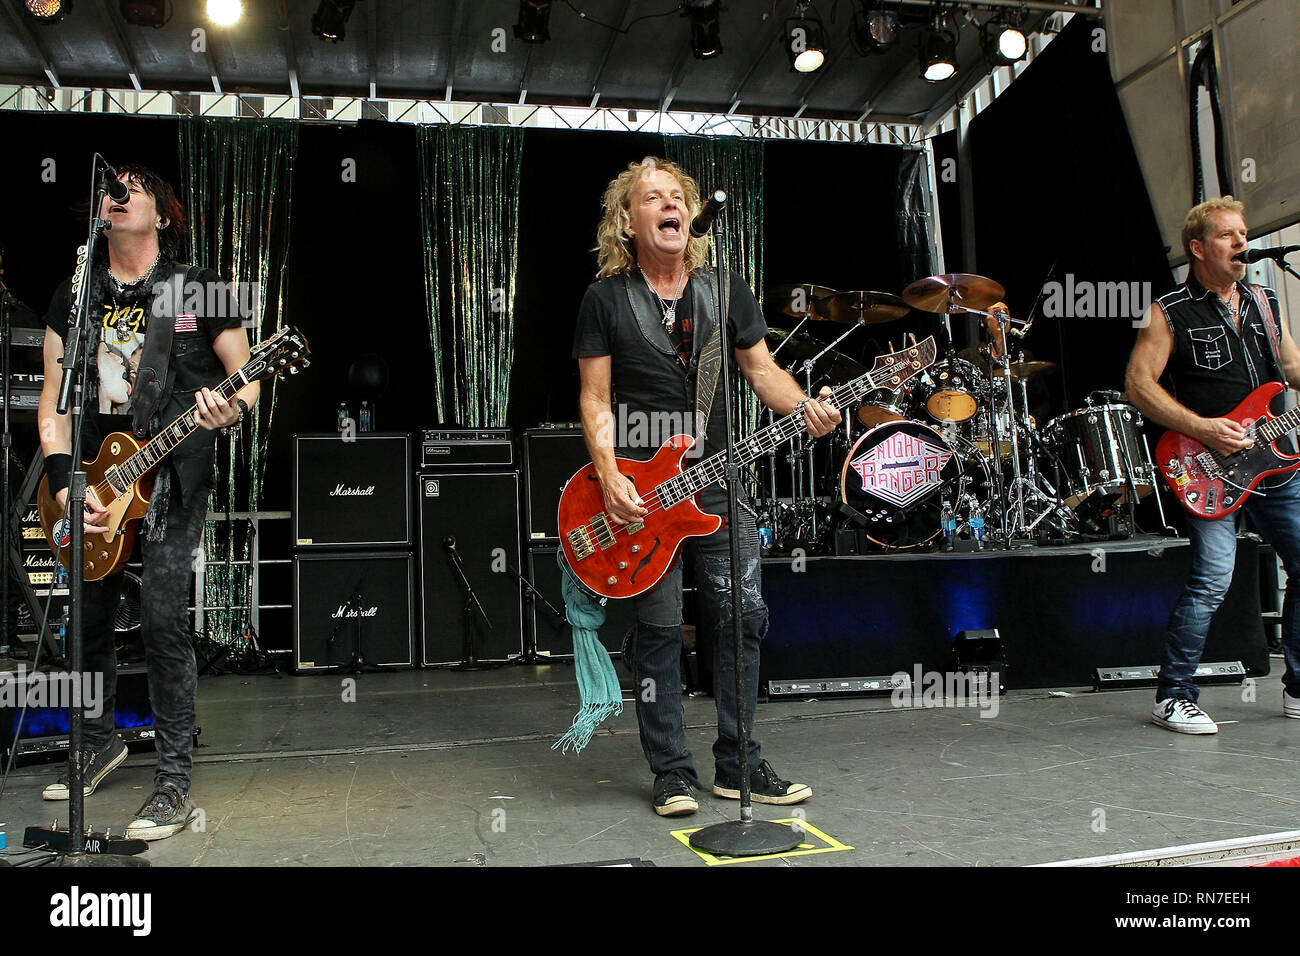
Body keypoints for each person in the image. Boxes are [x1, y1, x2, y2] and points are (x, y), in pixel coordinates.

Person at [572, 157, 840, 816]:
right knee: (661, 631)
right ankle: (669, 770)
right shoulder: (604, 298)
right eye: (651, 197)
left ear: (689, 217)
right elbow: (596, 397)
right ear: (628, 221)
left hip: (717, 481)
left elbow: (762, 370)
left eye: (676, 195)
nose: (668, 203)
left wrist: (805, 406)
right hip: (642, 493)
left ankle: (738, 763)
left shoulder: (724, 290)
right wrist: (609, 478)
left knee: (742, 615)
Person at [36, 164, 259, 839]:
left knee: (163, 617)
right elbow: (53, 408)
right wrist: (67, 491)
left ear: (162, 214)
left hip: (172, 480)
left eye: (132, 186)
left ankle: (171, 779)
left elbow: (247, 378)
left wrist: (231, 410)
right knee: (88, 620)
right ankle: (97, 742)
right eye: (109, 187)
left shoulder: (197, 289)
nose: (116, 192)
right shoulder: (74, 298)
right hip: (95, 484)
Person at [1126, 195, 1300, 734]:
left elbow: (1289, 366)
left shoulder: (1266, 302)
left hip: (1273, 461)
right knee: (1211, 581)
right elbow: (1136, 384)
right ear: (1198, 248)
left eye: (1243, 234)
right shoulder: (1167, 310)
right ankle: (1173, 695)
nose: (1241, 242)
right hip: (1208, 465)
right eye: (1227, 235)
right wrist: (1204, 429)